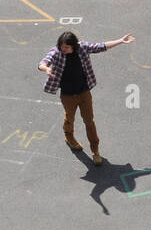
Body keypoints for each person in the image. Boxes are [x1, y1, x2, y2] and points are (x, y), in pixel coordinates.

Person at [37, 30, 135, 165]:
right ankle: (69, 137)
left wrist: (120, 41)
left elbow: (101, 46)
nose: (63, 49)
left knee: (89, 121)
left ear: (73, 46)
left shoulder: (82, 47)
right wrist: (46, 69)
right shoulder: (56, 52)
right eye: (61, 46)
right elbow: (43, 62)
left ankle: (95, 151)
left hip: (84, 92)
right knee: (69, 118)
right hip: (68, 95)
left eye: (66, 47)